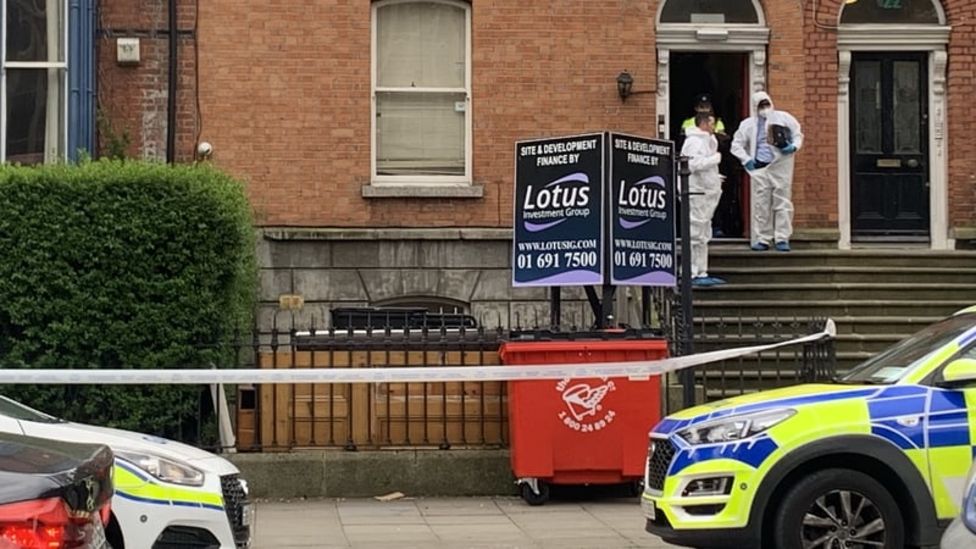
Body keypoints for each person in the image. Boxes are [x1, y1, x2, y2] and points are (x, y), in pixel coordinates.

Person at [731, 91, 803, 252]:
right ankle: (763, 238)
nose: (765, 108)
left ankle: (782, 238)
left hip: (781, 164)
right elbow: (736, 145)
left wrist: (793, 147)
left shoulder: (784, 118)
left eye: (766, 104)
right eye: (761, 106)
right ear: (755, 107)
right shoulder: (748, 124)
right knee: (761, 204)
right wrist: (747, 160)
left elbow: (798, 134)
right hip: (760, 167)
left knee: (782, 202)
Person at [680, 112, 725, 287]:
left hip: (705, 192)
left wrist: (715, 178)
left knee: (704, 233)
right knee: (696, 232)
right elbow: (694, 165)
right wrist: (715, 159)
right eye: (712, 123)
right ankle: (691, 271)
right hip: (696, 192)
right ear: (704, 123)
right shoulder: (694, 142)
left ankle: (701, 270)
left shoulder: (707, 141)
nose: (714, 127)